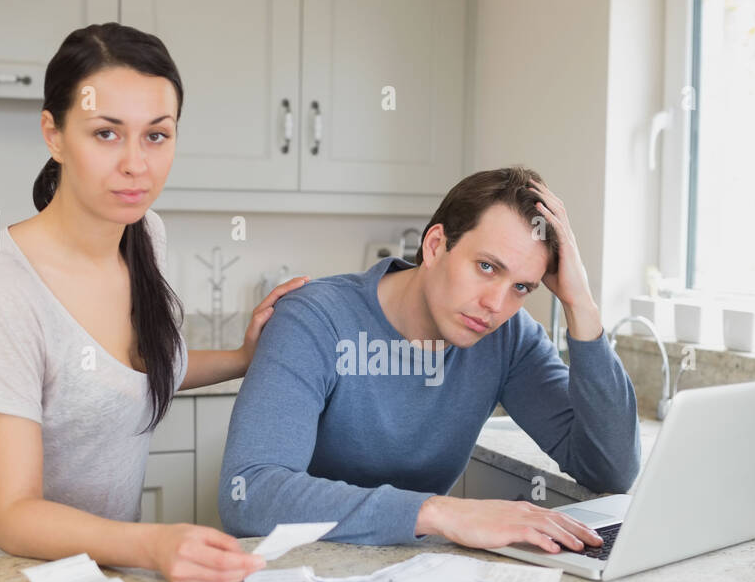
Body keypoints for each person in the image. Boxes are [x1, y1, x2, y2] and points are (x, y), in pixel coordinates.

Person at [0, 22, 305, 582]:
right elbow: (13, 512)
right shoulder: (1, 286)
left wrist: (245, 356)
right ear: (54, 134)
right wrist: (152, 544)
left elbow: (135, 367)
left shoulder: (144, 234)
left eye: (156, 136)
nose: (136, 165)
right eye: (106, 134)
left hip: (101, 570)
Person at [218, 165, 641, 554]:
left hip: (415, 581)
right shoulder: (314, 320)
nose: (495, 304)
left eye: (522, 287)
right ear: (436, 245)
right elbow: (250, 493)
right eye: (487, 267)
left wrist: (580, 301)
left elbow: (611, 470)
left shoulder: (508, 339)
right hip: (302, 577)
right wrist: (441, 513)